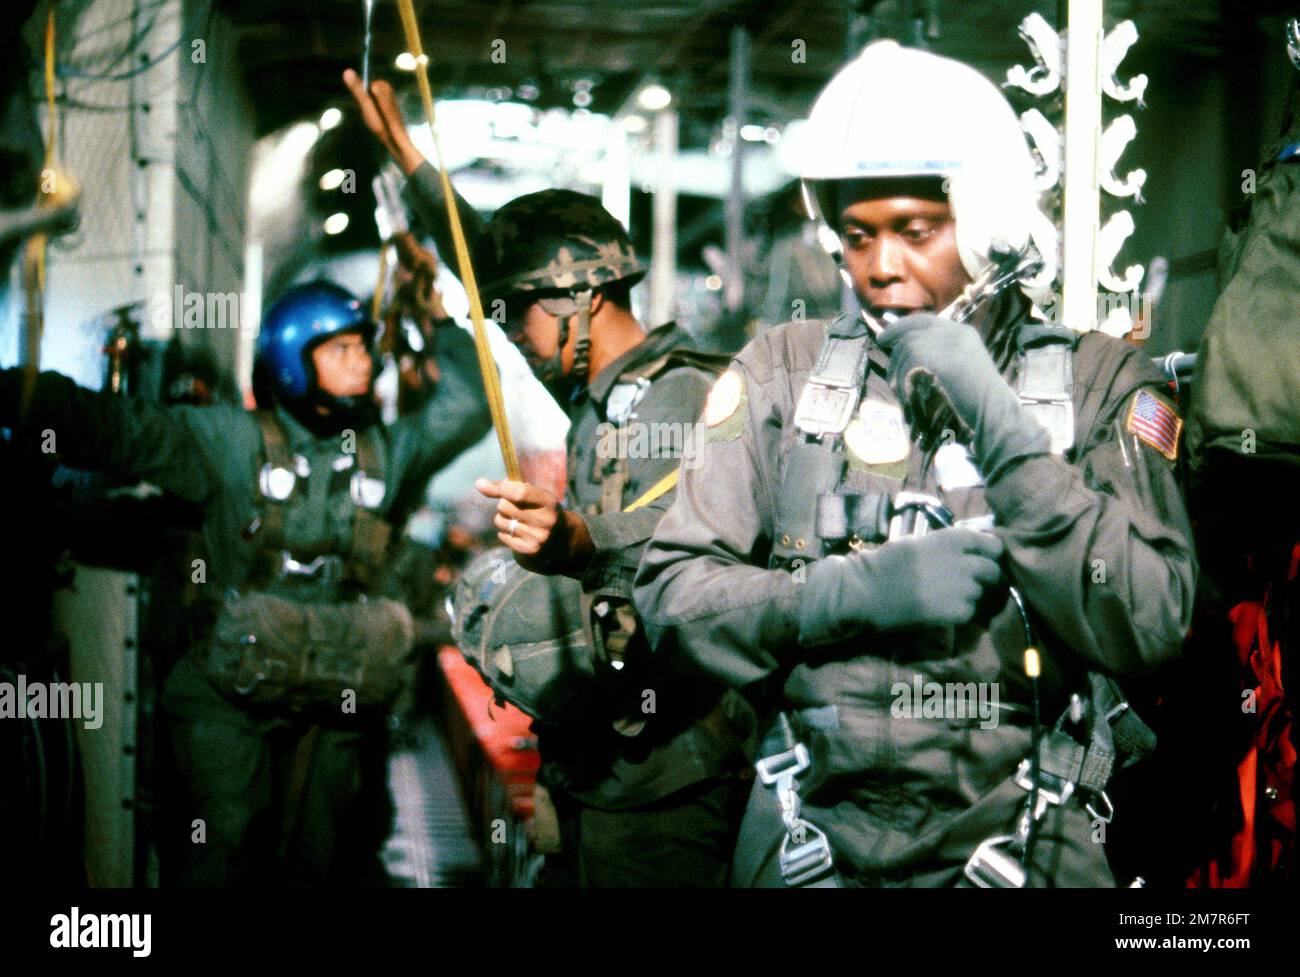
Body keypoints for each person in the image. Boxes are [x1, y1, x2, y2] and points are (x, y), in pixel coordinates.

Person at [633, 40, 1197, 888]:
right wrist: (838, 596)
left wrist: (1002, 429)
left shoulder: (1099, 384)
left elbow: (1149, 621)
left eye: (916, 231)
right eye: (858, 236)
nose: (881, 268)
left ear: (992, 224)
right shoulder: (781, 372)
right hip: (810, 840)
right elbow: (672, 602)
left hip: (1025, 844)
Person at [345, 70, 755, 887]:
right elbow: (490, 264)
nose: (511, 335)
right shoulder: (602, 394)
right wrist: (413, 168)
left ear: (582, 300)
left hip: (668, 778)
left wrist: (577, 540)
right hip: (606, 758)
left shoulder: (683, 398)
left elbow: (679, 559)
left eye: (519, 314)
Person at [1, 280, 491, 885]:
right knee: (225, 840)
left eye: (363, 346)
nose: (362, 360)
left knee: (328, 855)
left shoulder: (388, 452)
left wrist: (437, 318)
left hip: (336, 685)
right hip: (230, 694)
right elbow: (121, 428)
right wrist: (19, 397)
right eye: (338, 349)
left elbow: (470, 402)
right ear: (292, 362)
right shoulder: (230, 441)